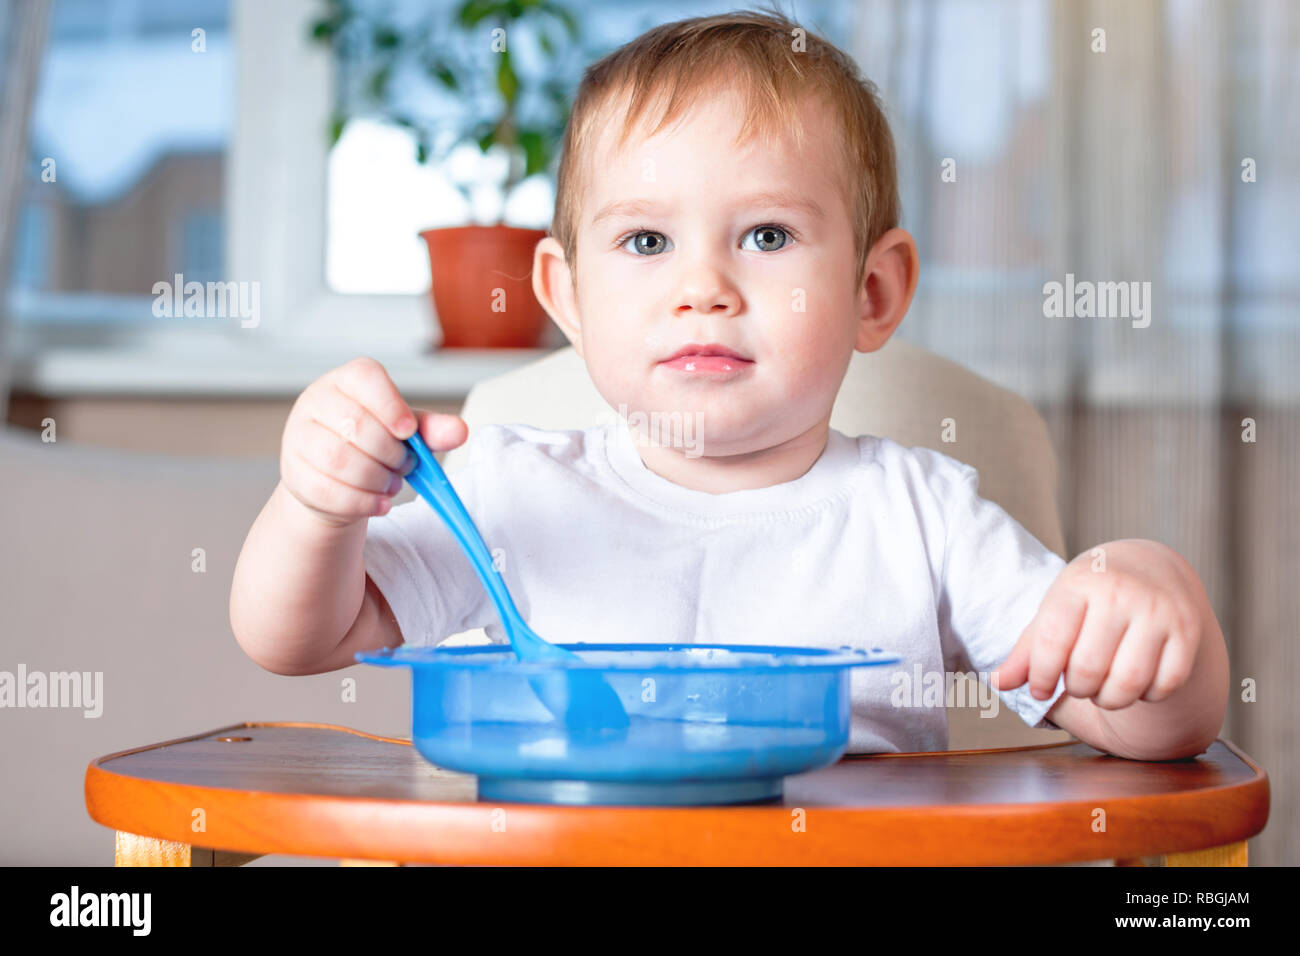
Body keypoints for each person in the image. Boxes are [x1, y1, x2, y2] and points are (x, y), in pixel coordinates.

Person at [230, 8, 1227, 758]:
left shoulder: (922, 517)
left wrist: (1153, 602)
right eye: (647, 240)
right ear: (567, 294)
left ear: (872, 291)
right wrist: (317, 508)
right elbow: (298, 635)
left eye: (765, 235)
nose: (701, 287)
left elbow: (1152, 732)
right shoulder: (503, 488)